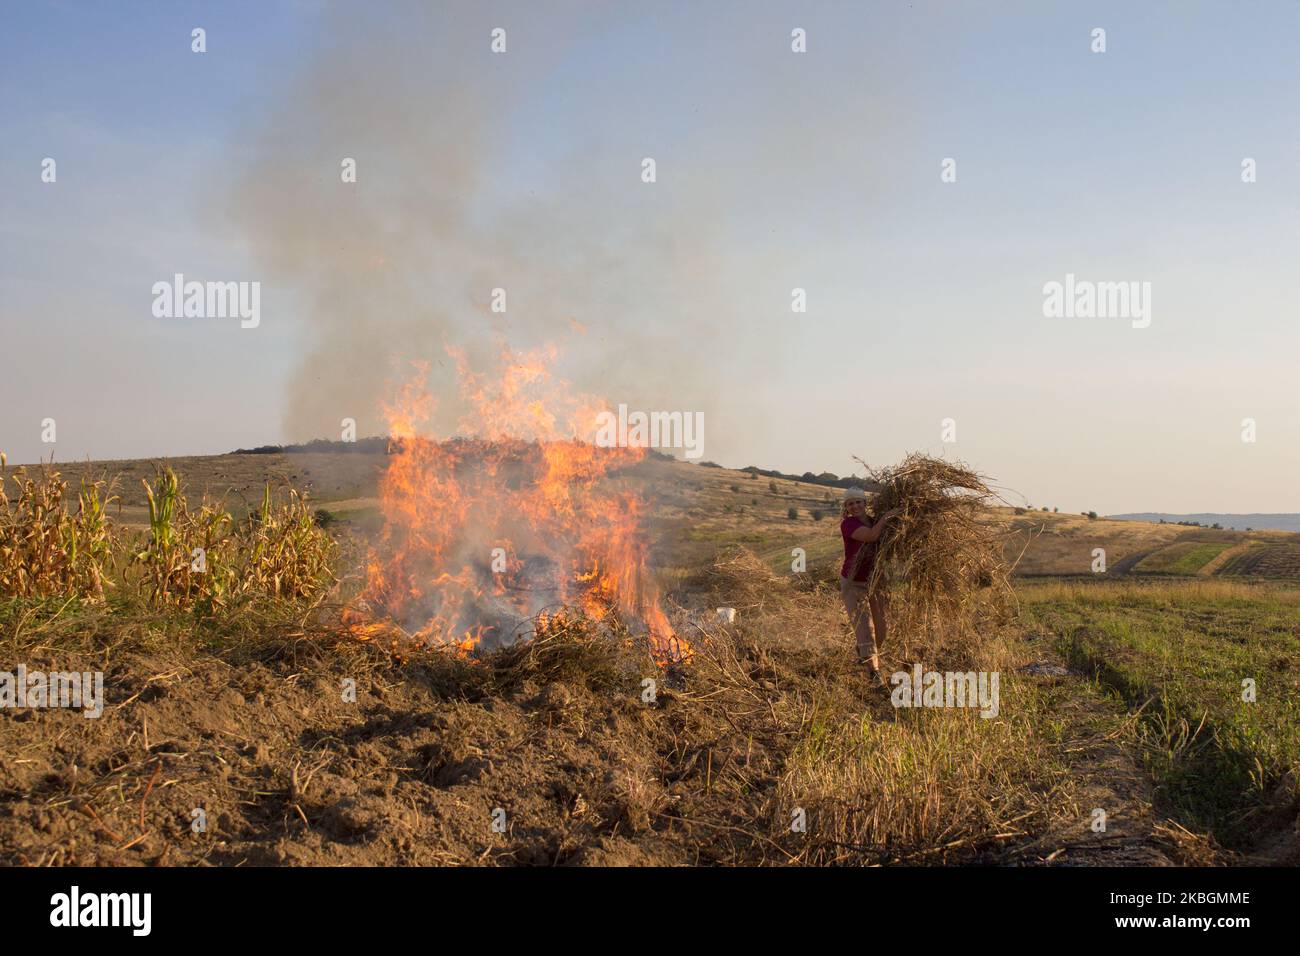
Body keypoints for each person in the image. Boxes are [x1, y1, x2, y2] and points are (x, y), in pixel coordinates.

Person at [839, 487, 900, 677]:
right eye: (850, 504)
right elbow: (872, 535)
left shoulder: (875, 521)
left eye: (858, 502)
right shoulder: (848, 524)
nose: (855, 506)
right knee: (866, 628)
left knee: (883, 628)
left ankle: (865, 653)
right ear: (846, 508)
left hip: (876, 579)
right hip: (853, 582)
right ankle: (874, 673)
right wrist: (887, 517)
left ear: (865, 503)